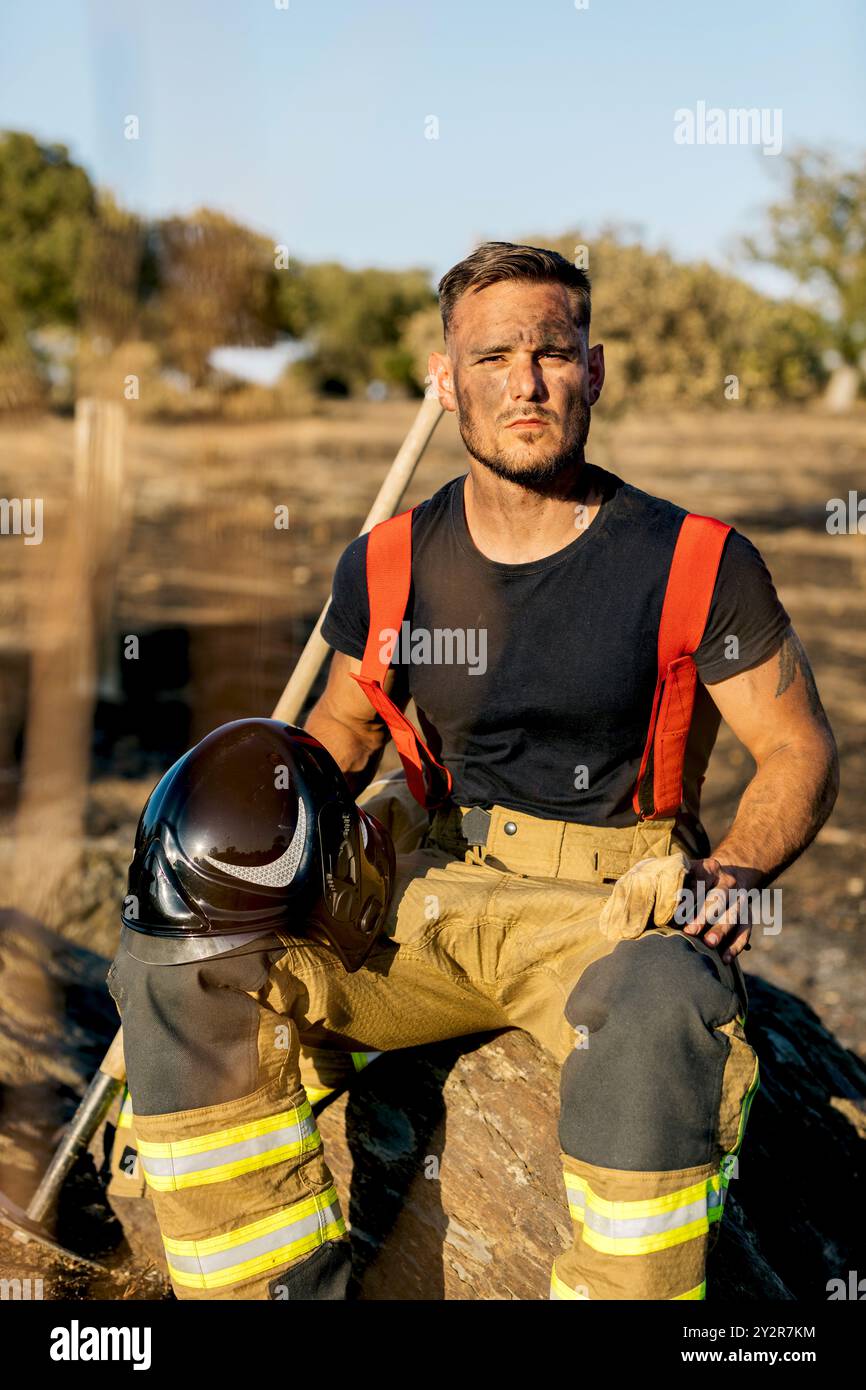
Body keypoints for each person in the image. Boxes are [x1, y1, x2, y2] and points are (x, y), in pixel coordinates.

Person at [109, 241, 838, 1301]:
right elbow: (341, 736)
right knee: (181, 965)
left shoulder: (693, 559)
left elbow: (798, 751)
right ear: (447, 382)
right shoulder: (389, 560)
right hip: (420, 894)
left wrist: (731, 871)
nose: (526, 380)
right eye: (492, 356)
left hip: (609, 908)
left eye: (552, 350)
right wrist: (234, 835)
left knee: (656, 1006)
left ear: (592, 368)